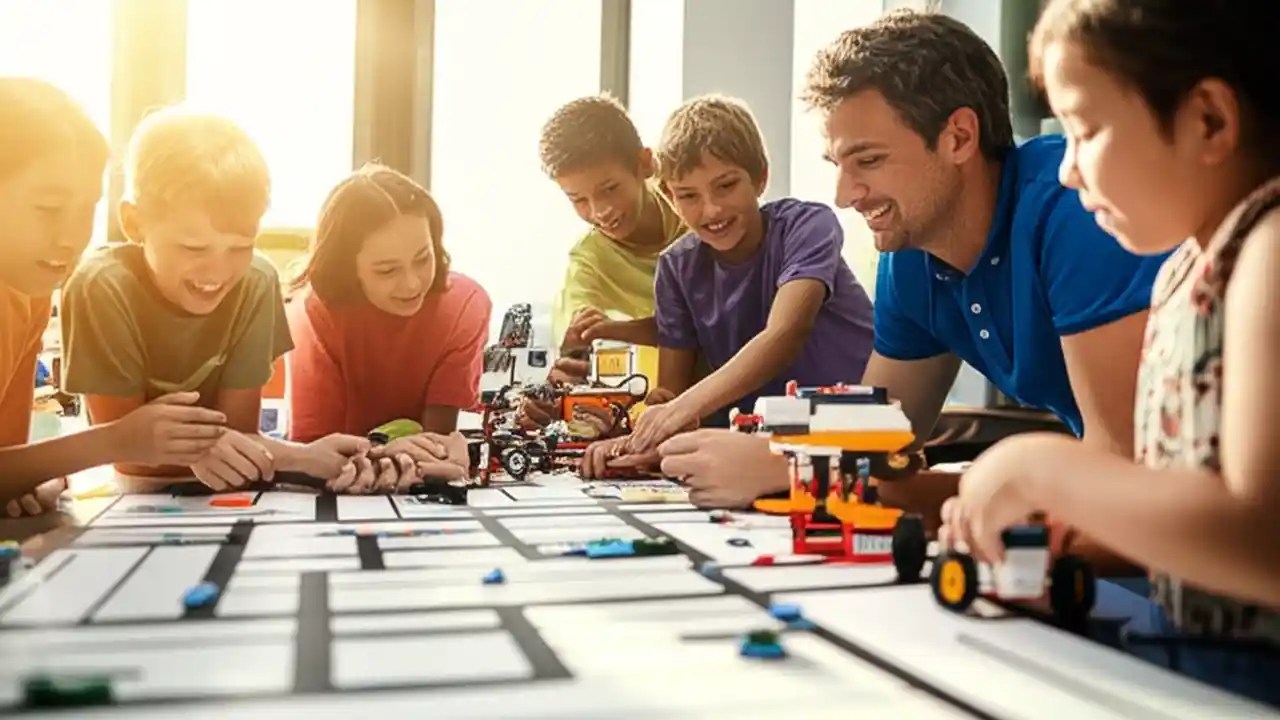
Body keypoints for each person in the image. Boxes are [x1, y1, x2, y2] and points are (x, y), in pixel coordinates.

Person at [656, 11, 1167, 535]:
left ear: (959, 138)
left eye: (868, 161)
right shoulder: (911, 256)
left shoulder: (1076, 210)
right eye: (837, 165)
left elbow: (1126, 482)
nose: (844, 195)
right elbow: (884, 442)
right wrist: (775, 456)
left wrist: (791, 468)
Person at [943, 0, 1280, 704]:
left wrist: (1044, 471)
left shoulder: (1269, 251)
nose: (1065, 171)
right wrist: (1077, 523)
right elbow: (1193, 507)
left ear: (1209, 120)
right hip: (1195, 665)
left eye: (1085, 130)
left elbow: (1263, 538)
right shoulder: (1186, 267)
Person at [60, 106, 367, 493]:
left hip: (223, 492)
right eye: (193, 247)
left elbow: (239, 438)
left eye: (240, 246)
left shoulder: (256, 281)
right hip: (135, 492)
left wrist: (299, 456)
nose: (217, 272)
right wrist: (296, 456)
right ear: (135, 223)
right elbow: (125, 449)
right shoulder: (101, 286)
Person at [582, 95, 875, 477]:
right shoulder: (676, 268)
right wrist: (641, 436)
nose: (712, 210)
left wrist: (679, 410)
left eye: (725, 186)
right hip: (759, 450)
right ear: (671, 198)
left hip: (858, 434)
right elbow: (674, 396)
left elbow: (785, 333)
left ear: (760, 178)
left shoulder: (807, 226)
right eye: (689, 195)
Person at [0, 78, 228, 514]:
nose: (71, 236)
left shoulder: (28, 295)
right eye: (48, 208)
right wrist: (115, 440)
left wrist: (38, 478)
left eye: (87, 208)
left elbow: (10, 461)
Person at [286, 164, 489, 493]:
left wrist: (429, 452)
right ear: (348, 269)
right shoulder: (314, 313)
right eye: (386, 270)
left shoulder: (465, 305)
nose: (411, 284)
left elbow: (438, 441)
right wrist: (385, 450)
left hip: (413, 484)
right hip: (344, 487)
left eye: (423, 258)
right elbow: (314, 450)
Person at [535, 94, 688, 388]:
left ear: (645, 163)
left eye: (610, 188)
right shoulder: (589, 259)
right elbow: (577, 331)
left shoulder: (693, 213)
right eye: (578, 199)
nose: (599, 211)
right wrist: (576, 341)